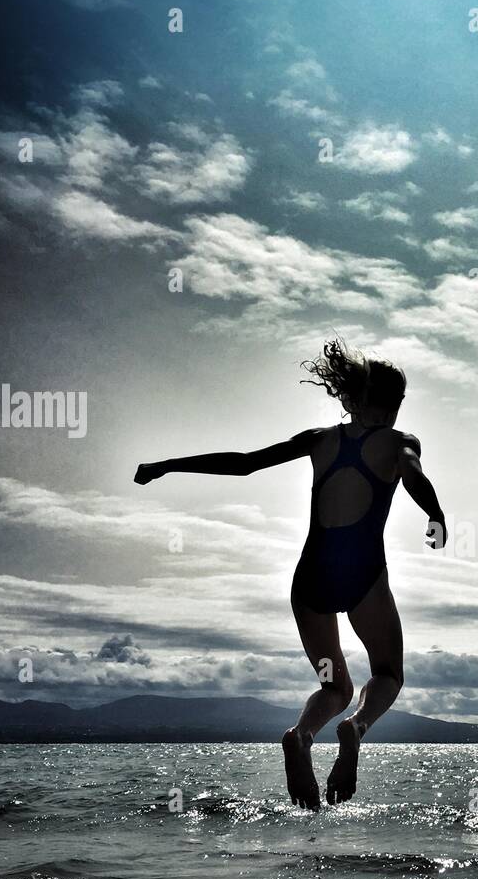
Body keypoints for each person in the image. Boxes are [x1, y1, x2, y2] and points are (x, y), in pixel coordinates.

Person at [134, 339, 446, 809]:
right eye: (397, 401)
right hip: (362, 577)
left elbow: (243, 465)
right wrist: (435, 512)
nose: (398, 410)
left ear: (350, 397)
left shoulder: (320, 439)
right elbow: (412, 473)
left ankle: (301, 736)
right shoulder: (399, 441)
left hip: (311, 581)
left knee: (333, 685)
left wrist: (167, 465)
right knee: (386, 672)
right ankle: (355, 728)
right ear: (385, 402)